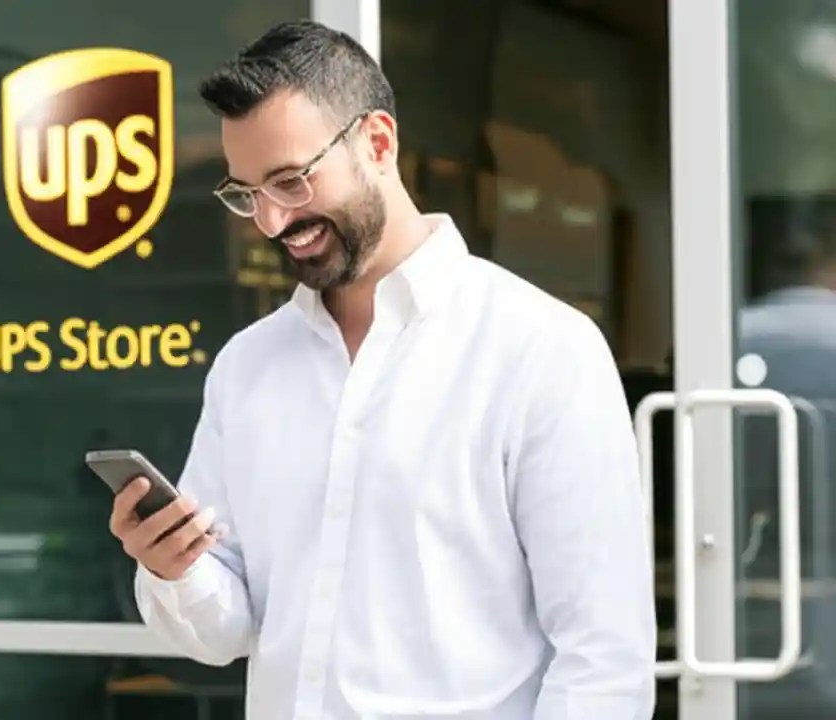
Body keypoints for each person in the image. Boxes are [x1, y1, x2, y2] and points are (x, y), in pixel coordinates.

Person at [107, 20, 656, 719]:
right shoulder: (248, 367)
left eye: (292, 181)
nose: (273, 220)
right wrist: (170, 565)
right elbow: (226, 633)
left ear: (378, 143)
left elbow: (604, 659)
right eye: (247, 193)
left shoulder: (542, 350)